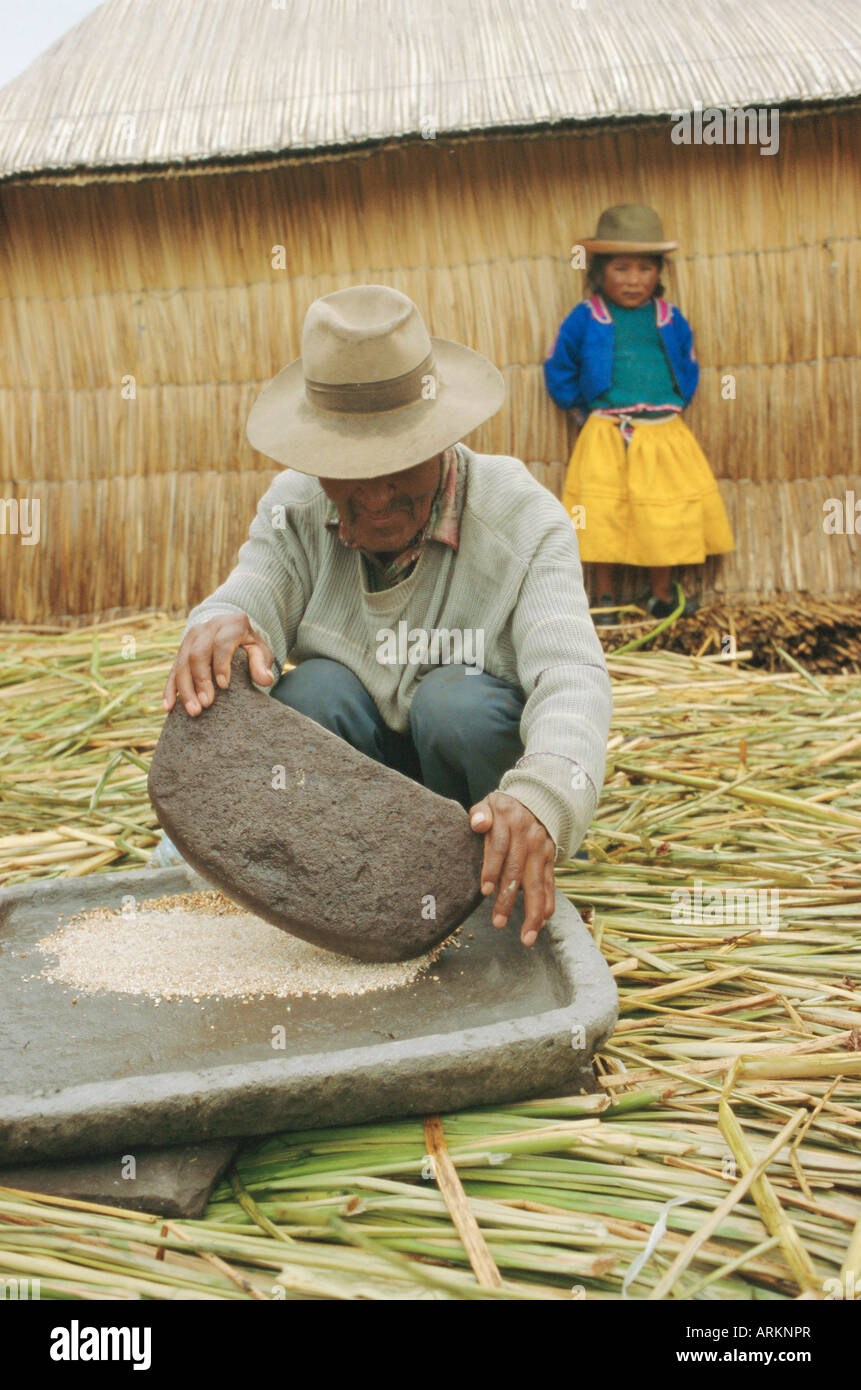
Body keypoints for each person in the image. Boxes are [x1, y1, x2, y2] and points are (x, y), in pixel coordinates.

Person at [156, 285, 612, 948]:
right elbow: (252, 587)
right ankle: (344, 889)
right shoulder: (295, 509)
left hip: (477, 798)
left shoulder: (521, 516)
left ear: (442, 439)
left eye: (398, 464)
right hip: (353, 822)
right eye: (348, 471)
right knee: (313, 692)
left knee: (454, 703)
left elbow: (572, 675)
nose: (375, 495)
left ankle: (499, 867)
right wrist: (223, 624)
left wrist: (543, 797)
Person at [544, 204, 734, 624]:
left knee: (662, 511)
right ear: (598, 272)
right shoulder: (585, 318)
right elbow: (560, 367)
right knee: (602, 513)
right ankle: (605, 599)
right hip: (606, 431)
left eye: (645, 269)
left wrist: (673, 404)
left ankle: (661, 596)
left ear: (659, 273)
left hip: (663, 433)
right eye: (622, 268)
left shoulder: (669, 319)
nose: (634, 280)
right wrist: (583, 412)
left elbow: (688, 364)